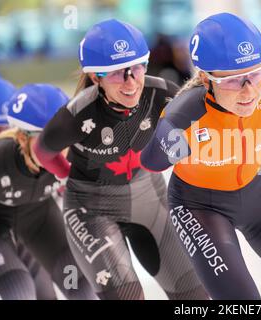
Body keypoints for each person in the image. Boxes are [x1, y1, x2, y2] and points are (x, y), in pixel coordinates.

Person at [140, 12, 261, 300]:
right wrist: (172, 137)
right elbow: (151, 162)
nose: (248, 91)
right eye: (233, 81)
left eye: (255, 74)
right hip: (200, 207)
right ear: (206, 80)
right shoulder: (183, 117)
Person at [34, 19, 207, 300]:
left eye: (138, 66)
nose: (131, 81)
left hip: (149, 199)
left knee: (195, 297)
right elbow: (43, 152)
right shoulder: (77, 115)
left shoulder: (162, 93)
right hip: (91, 211)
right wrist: (65, 173)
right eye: (116, 73)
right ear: (95, 77)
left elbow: (201, 133)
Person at [0, 83, 96, 300]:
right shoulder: (0, 158)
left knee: (77, 283)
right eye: (48, 139)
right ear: (22, 138)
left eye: (63, 136)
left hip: (37, 218)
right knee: (18, 289)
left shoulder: (76, 153)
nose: (58, 146)